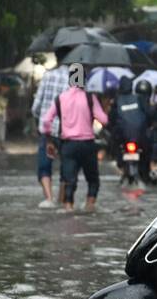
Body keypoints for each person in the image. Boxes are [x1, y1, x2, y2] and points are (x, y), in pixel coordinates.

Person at [40, 81, 108, 213]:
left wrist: (49, 140)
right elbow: (104, 120)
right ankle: (89, 205)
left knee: (69, 179)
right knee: (93, 180)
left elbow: (46, 120)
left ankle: (68, 207)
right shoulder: (90, 98)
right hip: (88, 145)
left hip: (68, 145)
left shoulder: (60, 98)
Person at [30, 58, 69, 208]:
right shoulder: (77, 75)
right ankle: (62, 199)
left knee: (44, 166)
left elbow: (36, 107)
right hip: (68, 131)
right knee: (67, 166)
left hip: (47, 131)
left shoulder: (48, 75)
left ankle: (49, 199)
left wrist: (41, 117)